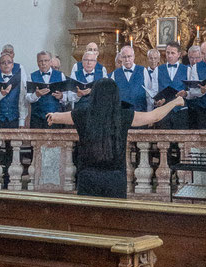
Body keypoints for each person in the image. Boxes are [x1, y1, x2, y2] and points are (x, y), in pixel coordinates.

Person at [47, 78, 186, 198]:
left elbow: (60, 117)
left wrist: (53, 116)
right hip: (115, 178)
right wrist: (175, 102)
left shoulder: (82, 114)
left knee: (87, 219)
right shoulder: (122, 115)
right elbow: (154, 116)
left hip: (87, 177)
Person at [26, 50, 68, 128]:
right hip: (37, 118)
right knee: (37, 139)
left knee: (55, 139)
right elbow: (28, 98)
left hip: (55, 117)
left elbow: (67, 97)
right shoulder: (31, 76)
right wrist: (36, 94)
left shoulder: (60, 75)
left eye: (46, 60)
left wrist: (61, 96)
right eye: (40, 61)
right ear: (37, 62)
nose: (43, 63)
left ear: (50, 62)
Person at [153, 41, 189, 129]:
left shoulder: (188, 70)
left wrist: (186, 93)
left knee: (180, 140)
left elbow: (191, 91)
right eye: (167, 52)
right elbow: (154, 91)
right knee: (163, 140)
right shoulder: (158, 70)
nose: (169, 55)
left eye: (172, 53)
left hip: (180, 111)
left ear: (179, 54)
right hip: (162, 112)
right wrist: (156, 101)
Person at [110, 45, 155, 112]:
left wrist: (149, 113)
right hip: (122, 114)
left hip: (141, 113)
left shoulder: (143, 70)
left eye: (129, 56)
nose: (127, 59)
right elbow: (112, 96)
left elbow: (149, 94)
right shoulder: (115, 74)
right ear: (121, 58)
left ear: (134, 57)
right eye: (124, 57)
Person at [0, 52, 25, 129]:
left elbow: (22, 99)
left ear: (13, 65)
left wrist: (22, 121)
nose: (6, 64)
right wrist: (1, 94)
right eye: (3, 63)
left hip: (13, 119)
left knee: (13, 141)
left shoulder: (19, 79)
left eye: (9, 62)